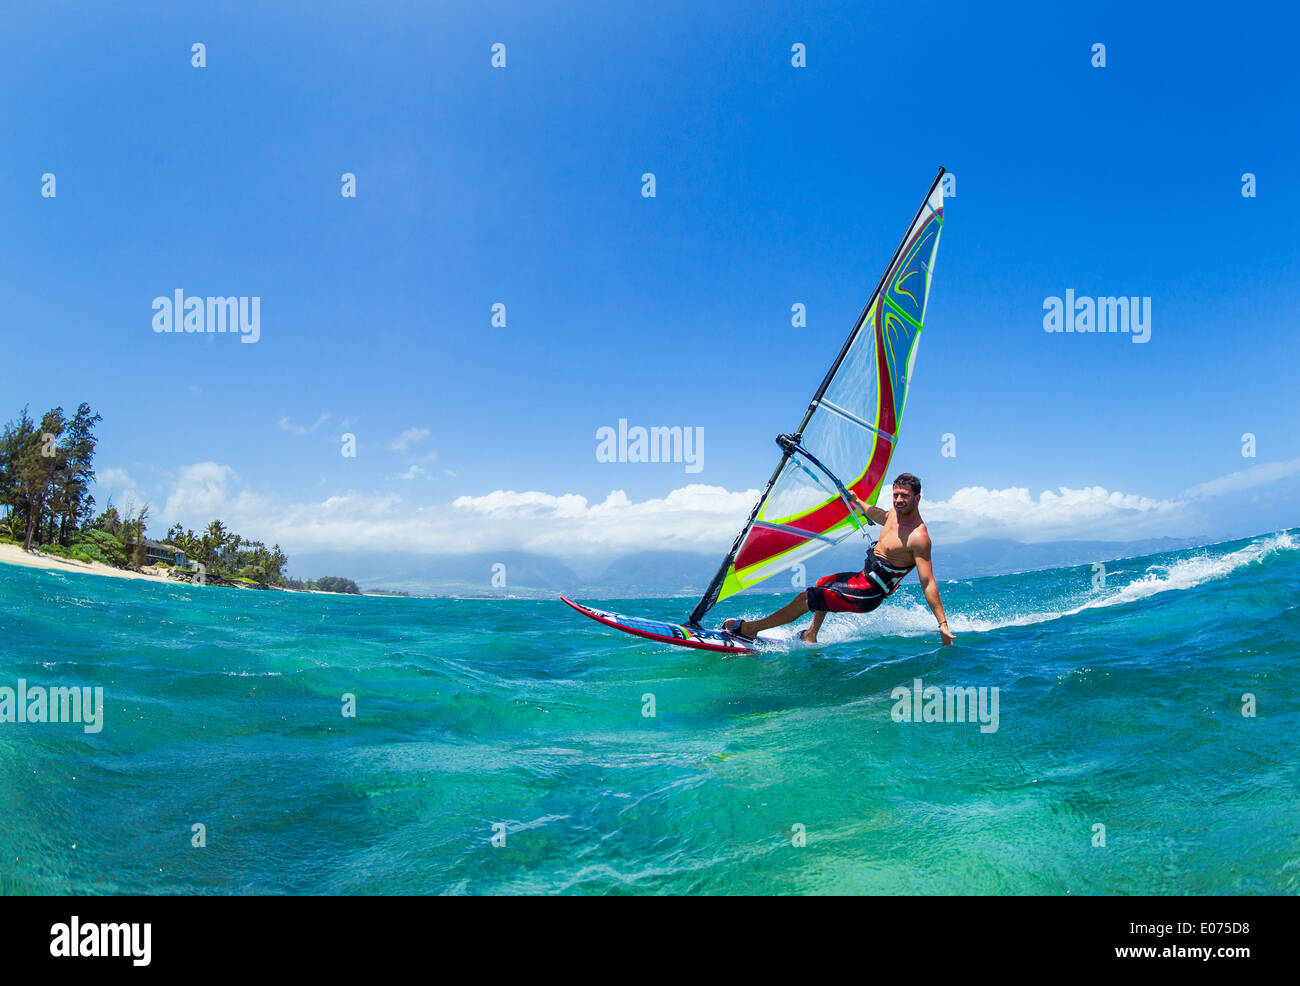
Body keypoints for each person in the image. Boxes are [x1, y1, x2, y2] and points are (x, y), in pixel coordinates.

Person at [723, 472, 955, 646]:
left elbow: (928, 582)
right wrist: (856, 502)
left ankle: (750, 629)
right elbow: (878, 514)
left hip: (869, 593)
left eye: (904, 496)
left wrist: (942, 625)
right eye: (895, 495)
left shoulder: (918, 536)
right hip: (861, 578)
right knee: (823, 582)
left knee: (808, 598)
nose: (899, 500)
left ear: (917, 498)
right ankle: (811, 635)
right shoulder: (894, 514)